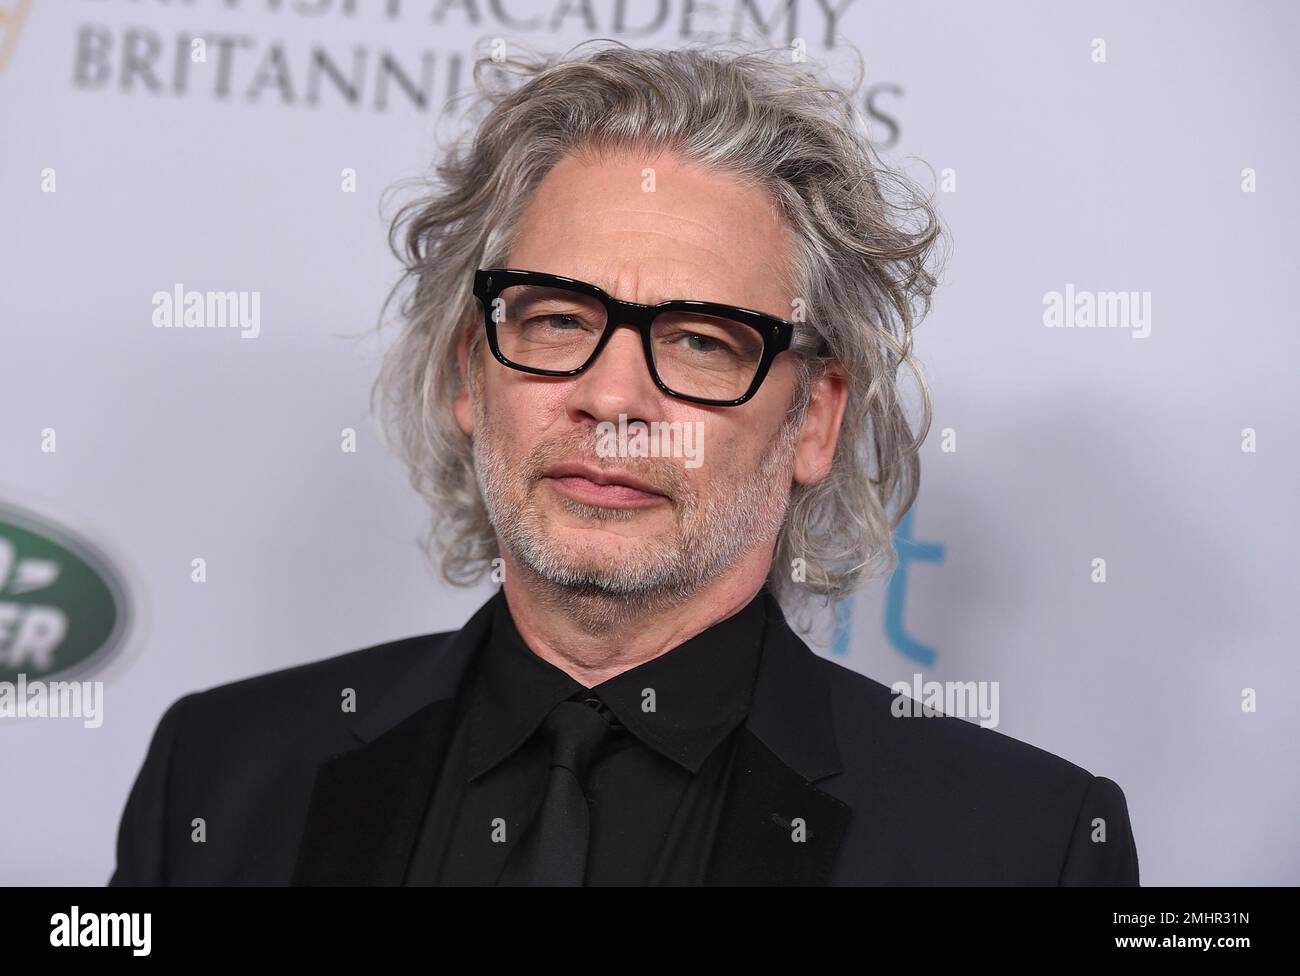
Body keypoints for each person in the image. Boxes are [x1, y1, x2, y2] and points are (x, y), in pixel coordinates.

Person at [110, 41, 1138, 885]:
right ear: (473, 373)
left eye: (699, 340)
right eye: (558, 320)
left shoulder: (1019, 847)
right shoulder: (223, 770)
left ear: (816, 420)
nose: (612, 397)